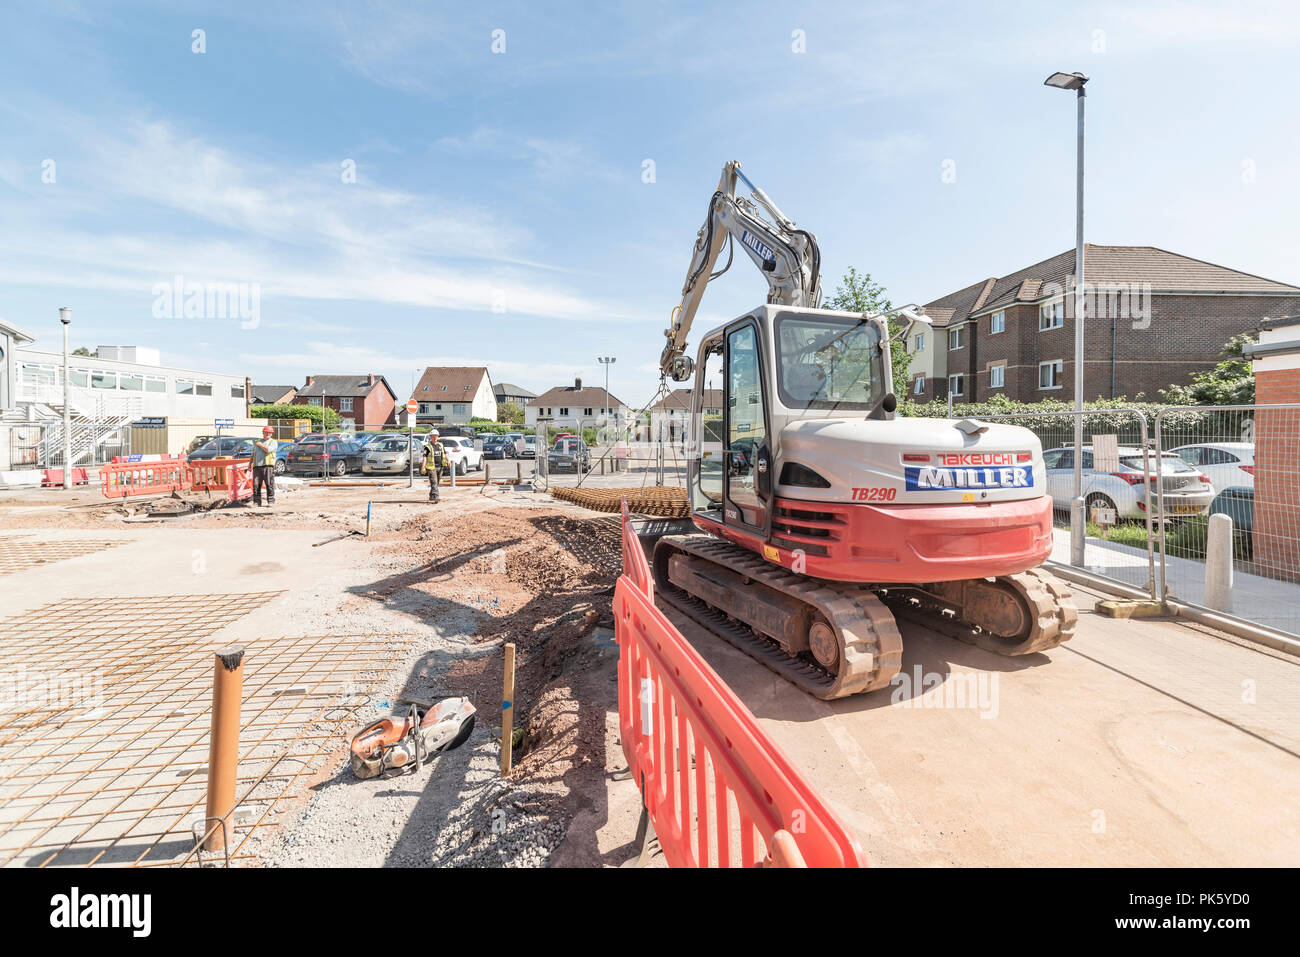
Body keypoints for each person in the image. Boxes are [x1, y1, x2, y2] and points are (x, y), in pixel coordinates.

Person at [252, 425, 278, 507]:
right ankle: (256, 502)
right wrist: (250, 464)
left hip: (268, 466)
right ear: (263, 432)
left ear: (271, 434)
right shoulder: (258, 441)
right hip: (257, 466)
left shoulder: (273, 442)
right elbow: (253, 454)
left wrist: (260, 445)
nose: (267, 434)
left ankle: (270, 501)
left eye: (269, 433)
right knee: (256, 485)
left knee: (269, 484)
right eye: (266, 432)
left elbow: (268, 450)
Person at [421, 429, 446, 503]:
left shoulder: (440, 445)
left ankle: (432, 495)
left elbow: (444, 454)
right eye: (433, 436)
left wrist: (448, 460)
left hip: (440, 467)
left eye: (436, 436)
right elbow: (424, 457)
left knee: (436, 482)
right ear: (430, 437)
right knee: (434, 482)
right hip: (431, 468)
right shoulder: (427, 447)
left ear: (438, 437)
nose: (434, 438)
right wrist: (423, 467)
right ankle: (436, 497)